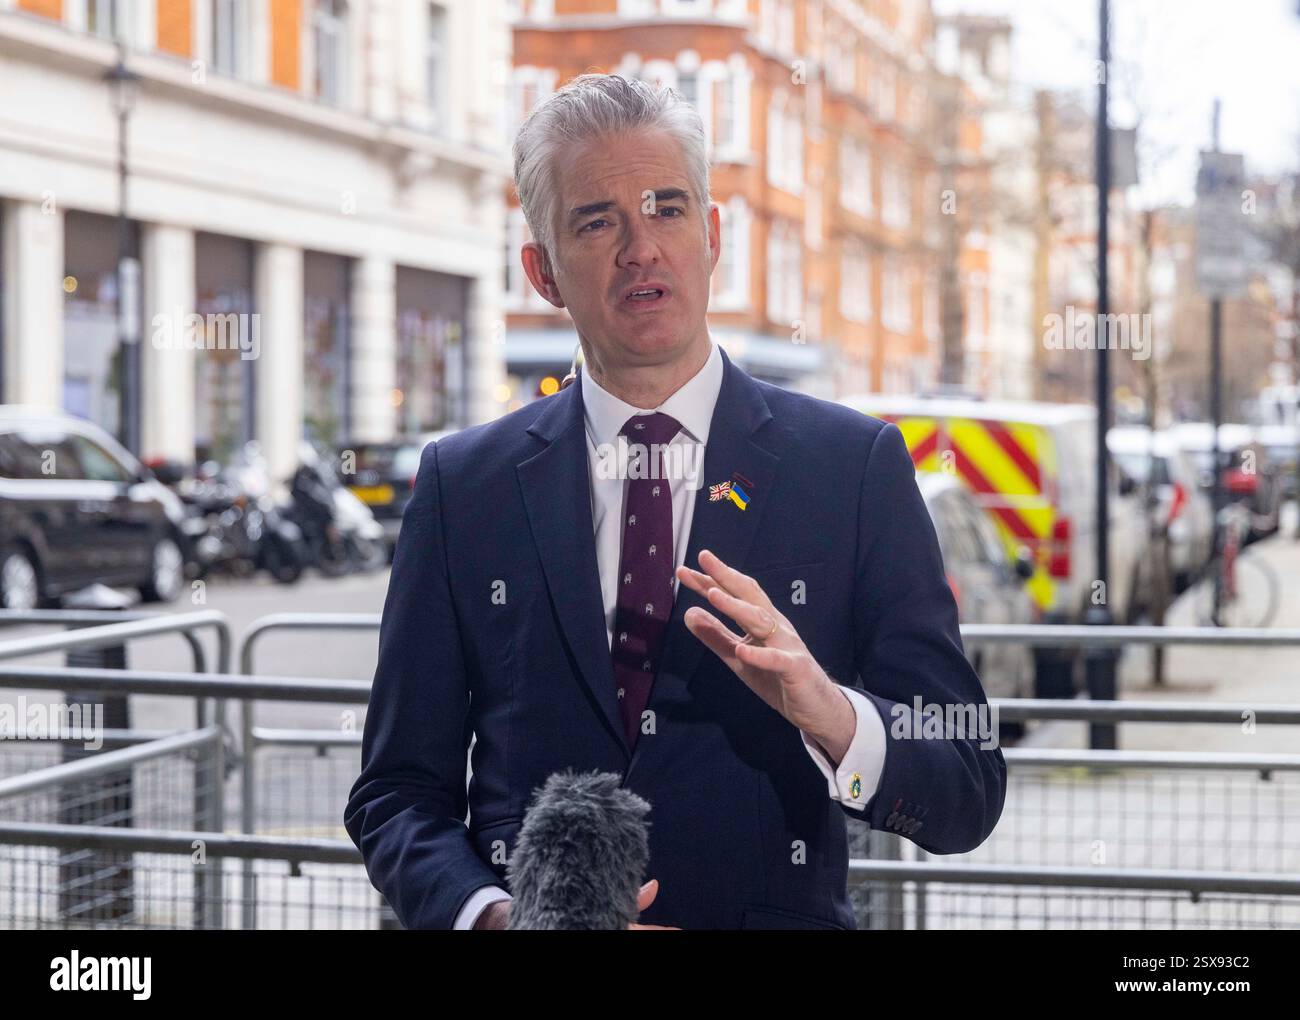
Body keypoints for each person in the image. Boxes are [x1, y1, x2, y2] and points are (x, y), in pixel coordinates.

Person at [344, 73, 1005, 930]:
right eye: (596, 220)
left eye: (666, 208)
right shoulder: (461, 486)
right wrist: (495, 918)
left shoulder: (854, 469)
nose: (639, 248)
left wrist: (832, 712)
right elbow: (396, 794)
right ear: (543, 271)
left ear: (711, 235)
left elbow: (965, 787)